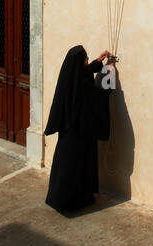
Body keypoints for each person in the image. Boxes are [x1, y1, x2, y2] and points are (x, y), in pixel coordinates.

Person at [44, 45, 115, 213]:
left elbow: (83, 72)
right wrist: (110, 77)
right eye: (86, 59)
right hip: (78, 136)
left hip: (68, 134)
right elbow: (99, 97)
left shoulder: (70, 79)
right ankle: (73, 202)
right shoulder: (81, 86)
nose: (87, 61)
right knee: (75, 170)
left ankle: (58, 199)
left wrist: (99, 62)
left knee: (64, 169)